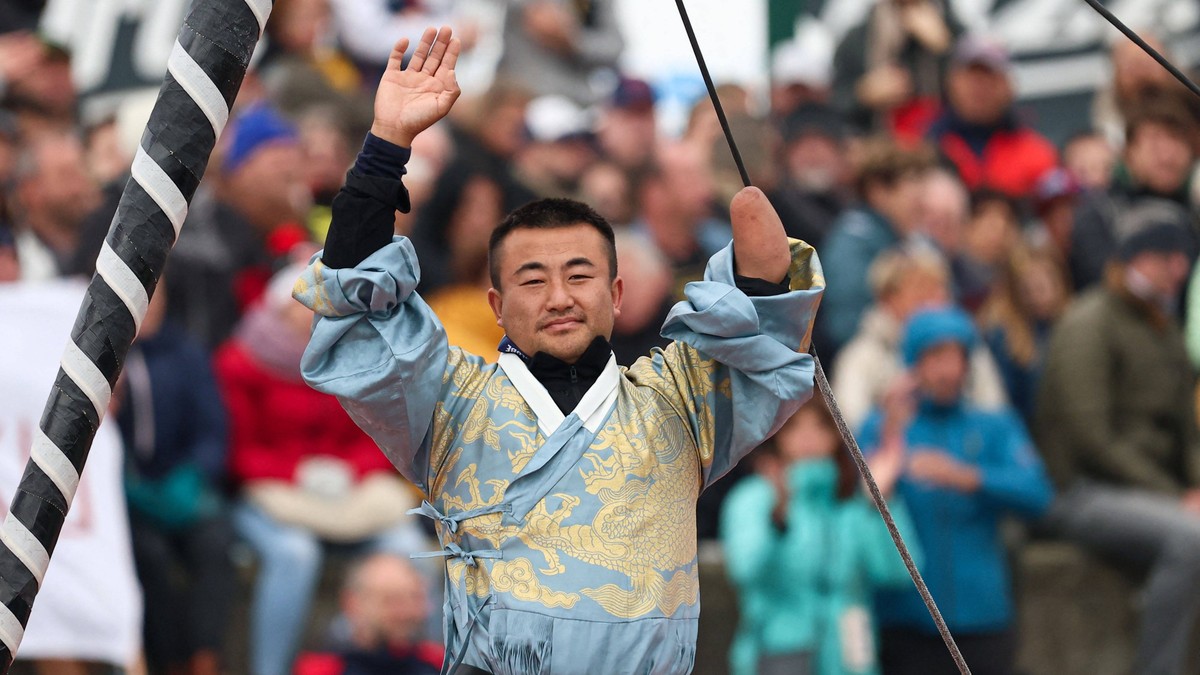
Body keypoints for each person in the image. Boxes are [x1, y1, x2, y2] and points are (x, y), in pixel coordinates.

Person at [292, 27, 824, 674]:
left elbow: (759, 336)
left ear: (617, 293)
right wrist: (384, 150)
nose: (558, 296)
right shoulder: (450, 403)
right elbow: (355, 300)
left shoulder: (679, 402)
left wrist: (763, 276)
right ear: (496, 305)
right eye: (532, 279)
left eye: (579, 275)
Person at [218, 265, 432, 675]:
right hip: (269, 498)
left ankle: (432, 662)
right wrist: (297, 473)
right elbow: (237, 451)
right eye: (304, 304)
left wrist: (346, 470)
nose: (313, 314)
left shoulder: (353, 358)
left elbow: (379, 434)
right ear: (280, 308)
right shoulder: (241, 362)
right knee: (294, 554)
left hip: (344, 497)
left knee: (410, 547)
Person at [1037, 208, 1200, 675]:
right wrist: (1176, 496)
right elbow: (1091, 438)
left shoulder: (1163, 328)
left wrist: (1193, 484)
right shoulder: (1089, 323)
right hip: (1081, 490)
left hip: (1149, 488)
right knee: (1192, 539)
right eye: (1167, 256)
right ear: (1136, 258)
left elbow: (1186, 431)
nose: (1180, 269)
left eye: (1183, 257)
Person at [860, 307, 1053, 675]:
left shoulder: (995, 424)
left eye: (957, 357)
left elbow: (1039, 495)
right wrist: (889, 438)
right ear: (913, 363)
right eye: (935, 357)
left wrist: (969, 477)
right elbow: (860, 501)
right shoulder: (881, 424)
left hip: (982, 616)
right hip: (904, 618)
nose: (949, 370)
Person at [719, 398, 914, 675]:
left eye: (820, 427)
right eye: (794, 427)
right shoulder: (754, 497)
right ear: (777, 434)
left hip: (850, 657)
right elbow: (744, 571)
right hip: (781, 651)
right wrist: (777, 519)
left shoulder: (852, 502)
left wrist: (880, 504)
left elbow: (897, 574)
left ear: (836, 436)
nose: (808, 438)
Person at [119, 285, 237, 675]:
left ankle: (205, 660)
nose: (148, 308)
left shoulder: (186, 352)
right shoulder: (102, 360)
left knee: (215, 545)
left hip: (180, 482)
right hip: (125, 494)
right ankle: (167, 662)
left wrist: (194, 474)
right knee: (148, 557)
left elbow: (211, 429)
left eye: (156, 297)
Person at [830, 246, 1007, 431]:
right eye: (922, 288)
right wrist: (885, 414)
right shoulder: (861, 358)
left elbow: (994, 412)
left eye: (940, 288)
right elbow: (851, 427)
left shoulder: (968, 347)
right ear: (887, 299)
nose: (934, 300)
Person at [817, 137, 934, 355]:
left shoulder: (916, 242)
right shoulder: (851, 245)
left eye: (922, 183)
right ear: (878, 191)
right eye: (911, 182)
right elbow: (845, 328)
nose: (922, 198)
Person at [1069, 99, 1198, 292]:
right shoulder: (1099, 213)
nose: (1167, 155)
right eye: (1155, 143)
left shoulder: (1193, 210)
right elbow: (1105, 282)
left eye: (1177, 141)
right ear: (1128, 153)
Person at [926, 35, 1057, 200]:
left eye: (990, 76)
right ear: (951, 82)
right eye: (971, 75)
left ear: (1008, 86)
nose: (979, 86)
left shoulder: (1038, 156)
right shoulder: (922, 148)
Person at [294, 553, 444, 675]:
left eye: (414, 598)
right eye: (392, 601)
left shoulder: (437, 662)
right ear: (352, 603)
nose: (406, 613)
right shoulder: (322, 668)